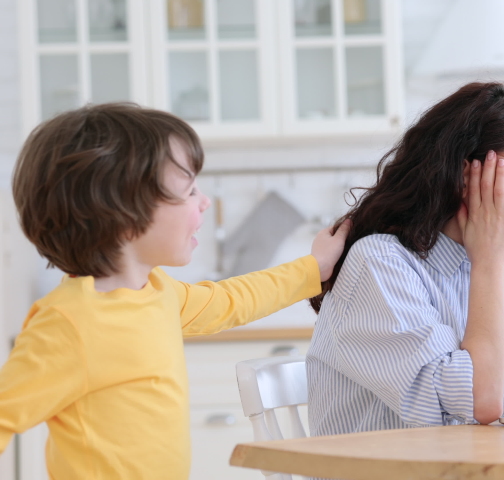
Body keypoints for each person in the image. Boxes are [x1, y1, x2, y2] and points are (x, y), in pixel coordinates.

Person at [0, 103, 349, 479]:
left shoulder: (157, 293)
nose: (204, 201)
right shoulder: (70, 324)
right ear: (125, 216)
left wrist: (315, 268)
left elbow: (233, 300)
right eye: (189, 190)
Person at [306, 82, 504, 436]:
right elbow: (477, 405)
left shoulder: (502, 276)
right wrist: (488, 261)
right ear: (464, 178)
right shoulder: (380, 263)